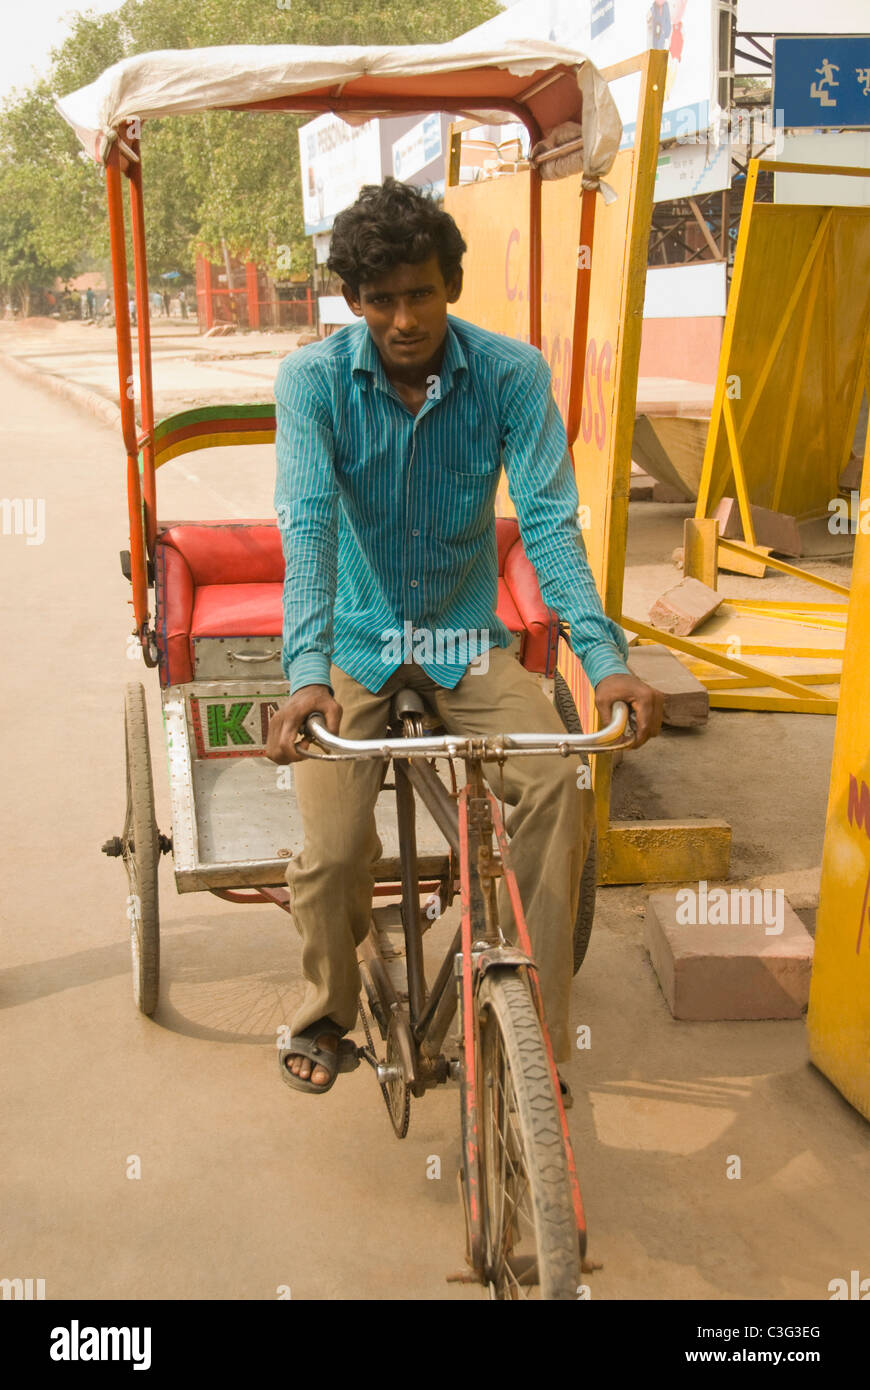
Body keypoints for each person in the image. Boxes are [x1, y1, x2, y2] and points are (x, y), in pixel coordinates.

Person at [266, 178, 663, 1093]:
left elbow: (552, 525)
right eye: (382, 300)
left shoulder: (510, 374)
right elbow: (310, 528)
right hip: (355, 643)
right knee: (331, 855)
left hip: (461, 638)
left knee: (557, 784)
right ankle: (327, 1014)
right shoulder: (314, 381)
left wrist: (604, 663)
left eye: (422, 293)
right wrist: (306, 673)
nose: (405, 318)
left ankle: (528, 1029)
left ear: (451, 284)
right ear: (353, 302)